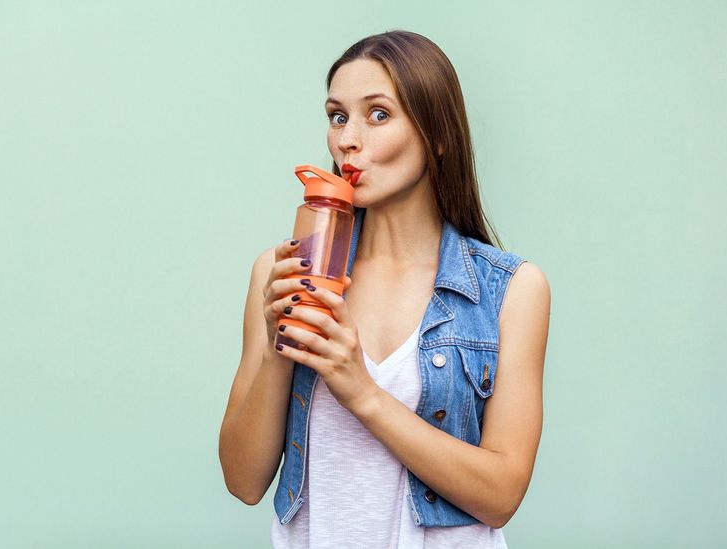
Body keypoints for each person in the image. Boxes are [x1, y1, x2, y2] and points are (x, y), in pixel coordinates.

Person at [219, 30, 550, 548]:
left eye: (378, 114)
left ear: (437, 134)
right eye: (338, 116)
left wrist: (363, 393)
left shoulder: (511, 290)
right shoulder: (280, 270)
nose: (348, 138)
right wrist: (279, 348)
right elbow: (242, 481)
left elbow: (501, 494)